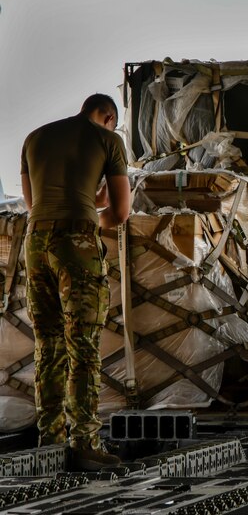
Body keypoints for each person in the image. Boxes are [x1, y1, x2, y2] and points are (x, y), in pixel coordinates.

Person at [21, 94, 131, 471]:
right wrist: (91, 215)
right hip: (76, 242)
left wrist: (87, 199)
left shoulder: (34, 138)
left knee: (47, 344)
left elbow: (33, 202)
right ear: (108, 116)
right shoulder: (109, 141)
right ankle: (85, 442)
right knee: (82, 345)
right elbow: (119, 212)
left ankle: (47, 441)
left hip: (34, 243)